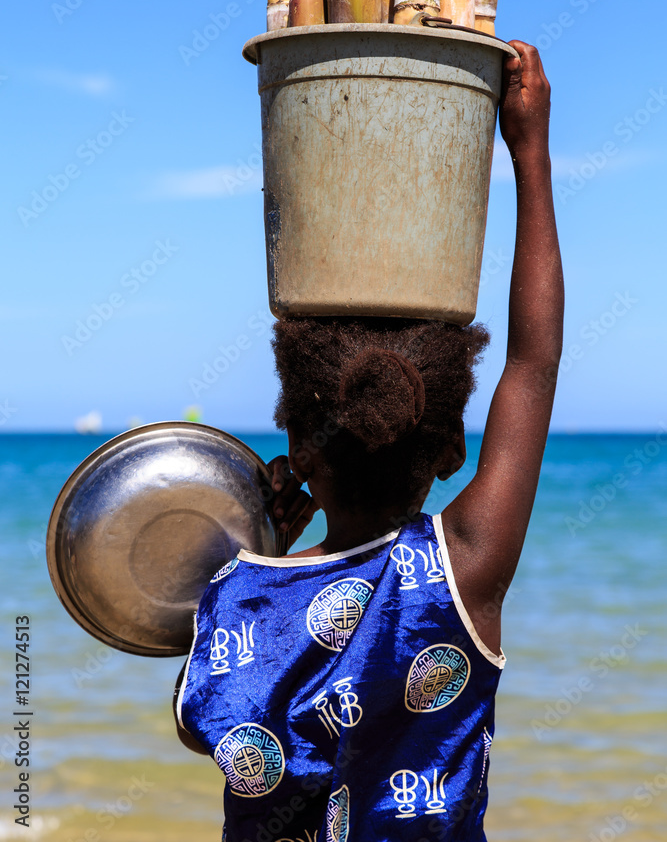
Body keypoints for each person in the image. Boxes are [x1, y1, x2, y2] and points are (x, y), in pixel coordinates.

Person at [174, 42, 563, 842]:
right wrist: (529, 154)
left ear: (300, 456)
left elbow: (198, 724)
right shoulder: (462, 571)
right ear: (451, 450)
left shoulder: (234, 597)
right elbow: (532, 362)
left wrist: (273, 552)